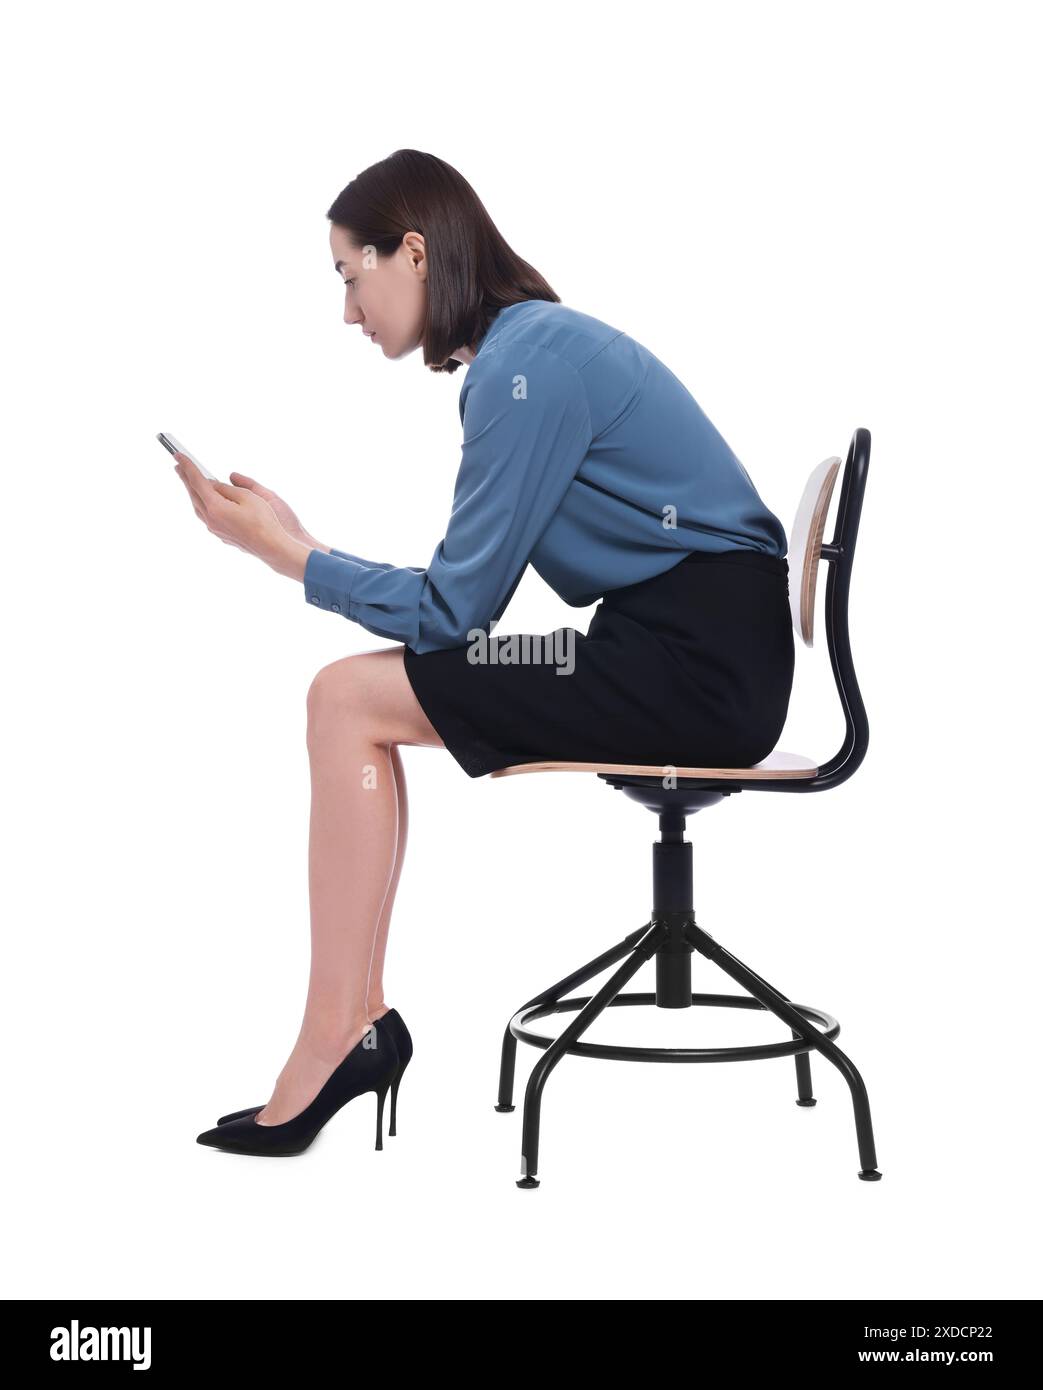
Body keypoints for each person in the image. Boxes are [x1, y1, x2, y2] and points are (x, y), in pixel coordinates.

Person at [180, 149, 795, 1158]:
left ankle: (342, 1033)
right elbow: (461, 607)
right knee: (346, 697)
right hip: (670, 650)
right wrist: (307, 552)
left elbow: (453, 611)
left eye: (349, 274)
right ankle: (350, 1024)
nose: (347, 310)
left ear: (412, 252)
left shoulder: (524, 365)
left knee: (344, 700)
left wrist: (289, 555)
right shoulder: (527, 353)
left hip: (688, 670)